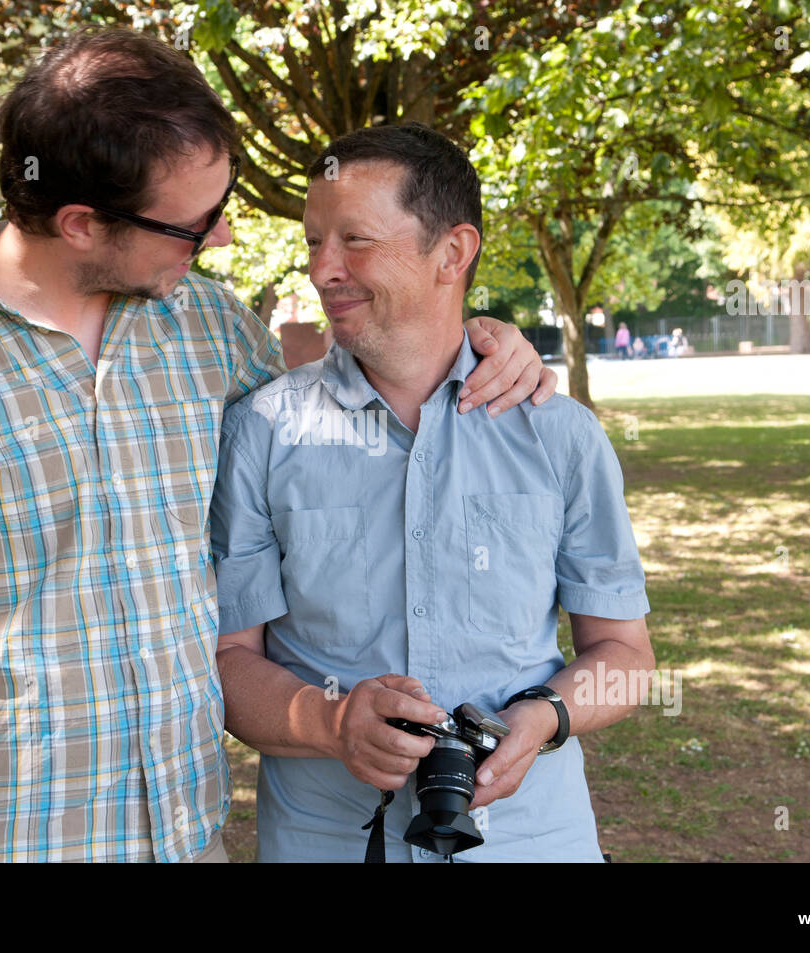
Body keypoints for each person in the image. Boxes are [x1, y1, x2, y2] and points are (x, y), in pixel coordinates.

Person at [0, 28, 556, 863]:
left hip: (186, 839)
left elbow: (371, 379)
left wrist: (481, 335)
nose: (220, 240)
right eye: (197, 224)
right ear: (81, 223)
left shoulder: (210, 327)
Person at [210, 123, 655, 862]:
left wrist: (544, 717)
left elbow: (624, 653)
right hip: (330, 843)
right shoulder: (260, 432)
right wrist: (332, 722)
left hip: (531, 842)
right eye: (314, 240)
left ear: (453, 252)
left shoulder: (561, 434)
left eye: (355, 240)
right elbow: (227, 659)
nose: (324, 270)